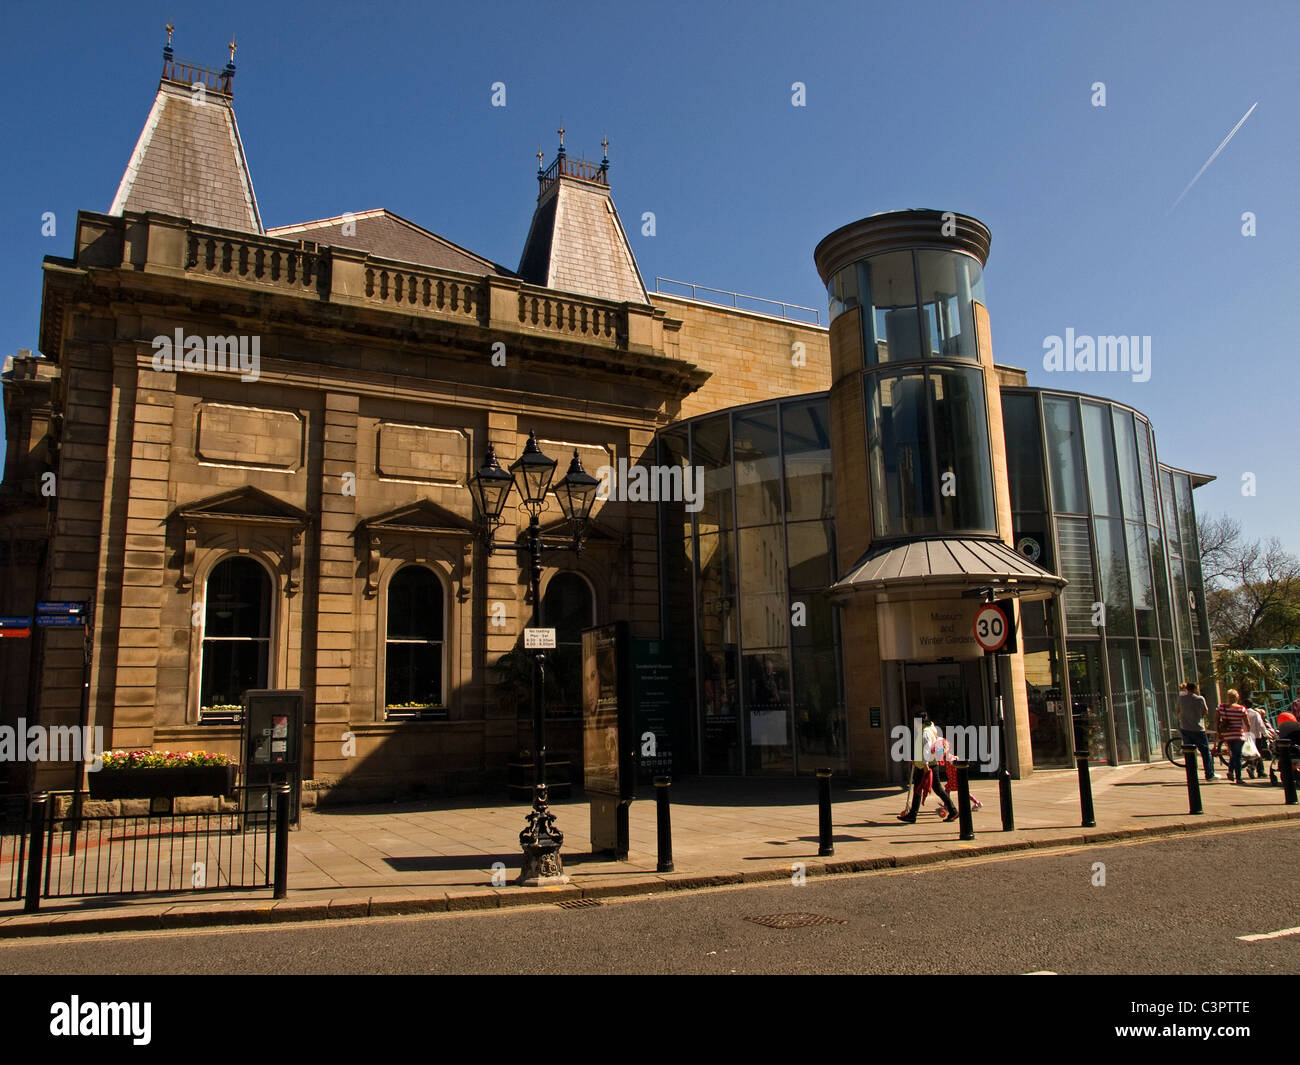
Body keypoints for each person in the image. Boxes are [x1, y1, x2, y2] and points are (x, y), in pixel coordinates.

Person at [897, 714, 959, 823]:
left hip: (926, 765)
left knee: (930, 789)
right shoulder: (931, 729)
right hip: (927, 764)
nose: (914, 724)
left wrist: (925, 764)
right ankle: (913, 814)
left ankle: (953, 810)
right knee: (923, 789)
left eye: (915, 722)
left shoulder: (925, 732)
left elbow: (926, 748)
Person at [1178, 681, 1215, 781]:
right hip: (1198, 728)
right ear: (1195, 689)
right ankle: (1209, 773)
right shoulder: (1199, 698)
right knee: (1205, 752)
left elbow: (1177, 710)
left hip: (1185, 727)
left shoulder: (1181, 699)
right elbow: (1205, 711)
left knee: (1189, 752)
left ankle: (1191, 774)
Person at [1216, 689, 1249, 784]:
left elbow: (1216, 720)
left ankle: (1230, 771)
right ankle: (1238, 777)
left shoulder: (1221, 707)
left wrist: (1218, 732)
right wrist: (1249, 730)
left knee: (1233, 753)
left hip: (1227, 734)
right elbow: (1247, 723)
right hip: (1238, 734)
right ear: (1237, 697)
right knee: (1237, 755)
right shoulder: (1242, 709)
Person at [1244, 697, 1275, 781]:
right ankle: (1258, 770)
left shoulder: (1243, 713)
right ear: (1252, 705)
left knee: (1250, 753)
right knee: (1258, 753)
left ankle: (1254, 768)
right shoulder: (1255, 714)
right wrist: (1266, 734)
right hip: (1256, 736)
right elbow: (1261, 725)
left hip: (1246, 736)